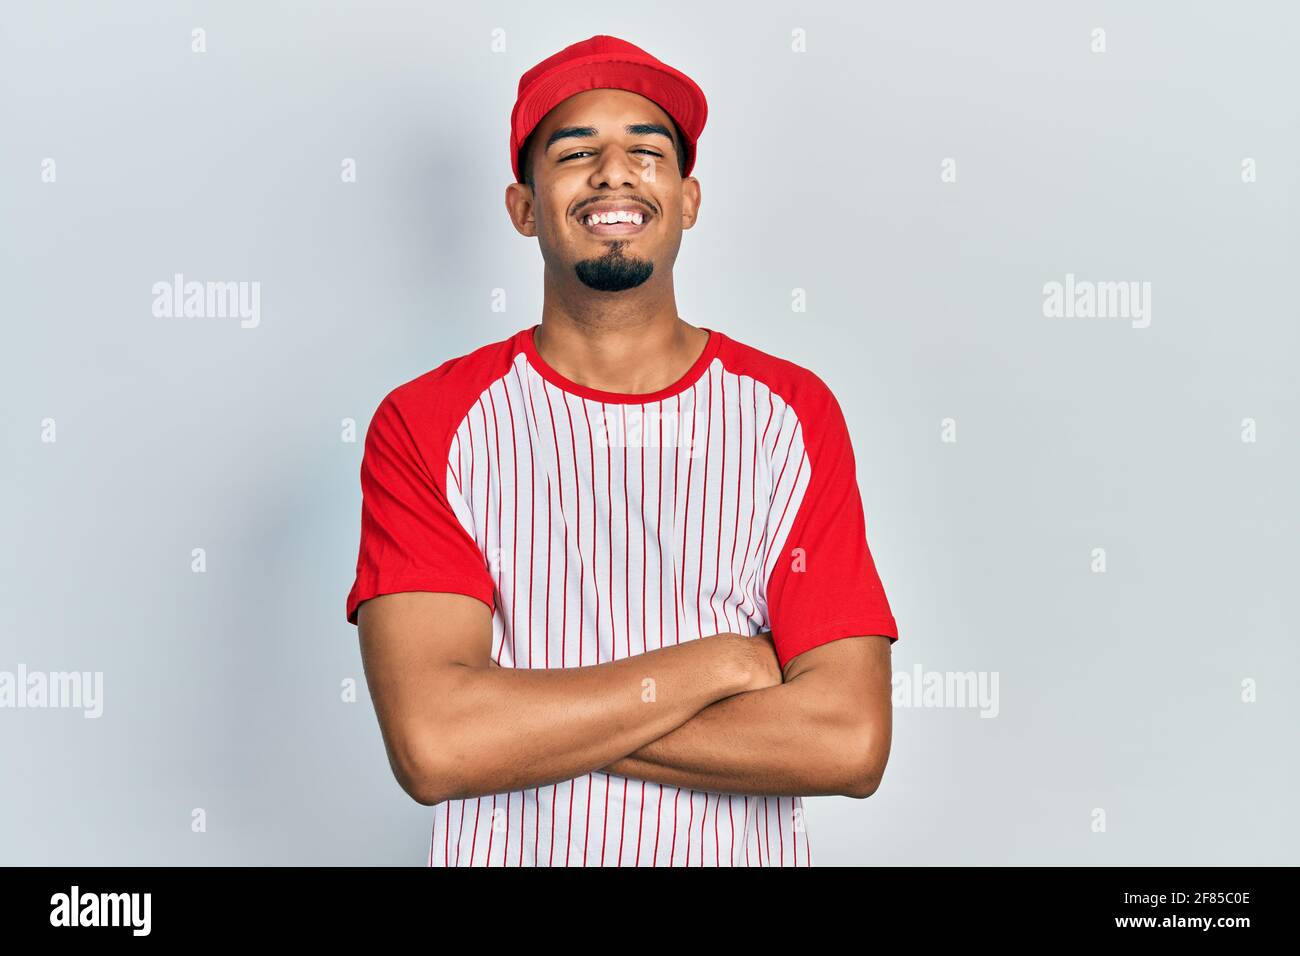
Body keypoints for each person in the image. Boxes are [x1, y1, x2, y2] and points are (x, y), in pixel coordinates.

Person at [345, 34, 900, 866]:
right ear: (525, 206)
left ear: (686, 200)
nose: (614, 172)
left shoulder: (792, 412)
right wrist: (723, 663)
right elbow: (436, 746)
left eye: (647, 150)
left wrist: (517, 723)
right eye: (575, 153)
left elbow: (848, 741)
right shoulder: (428, 420)